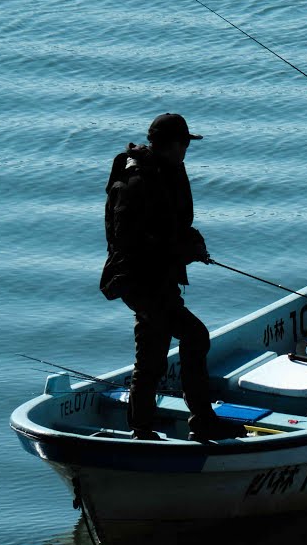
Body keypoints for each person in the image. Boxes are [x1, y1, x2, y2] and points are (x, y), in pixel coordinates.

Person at [99, 113, 245, 441]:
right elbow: (130, 243)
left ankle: (142, 429)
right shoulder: (135, 182)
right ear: (172, 145)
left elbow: (170, 224)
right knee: (194, 337)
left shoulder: (163, 171)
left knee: (153, 350)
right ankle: (201, 422)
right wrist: (179, 251)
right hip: (140, 281)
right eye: (184, 145)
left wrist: (192, 242)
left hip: (158, 278)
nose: (186, 152)